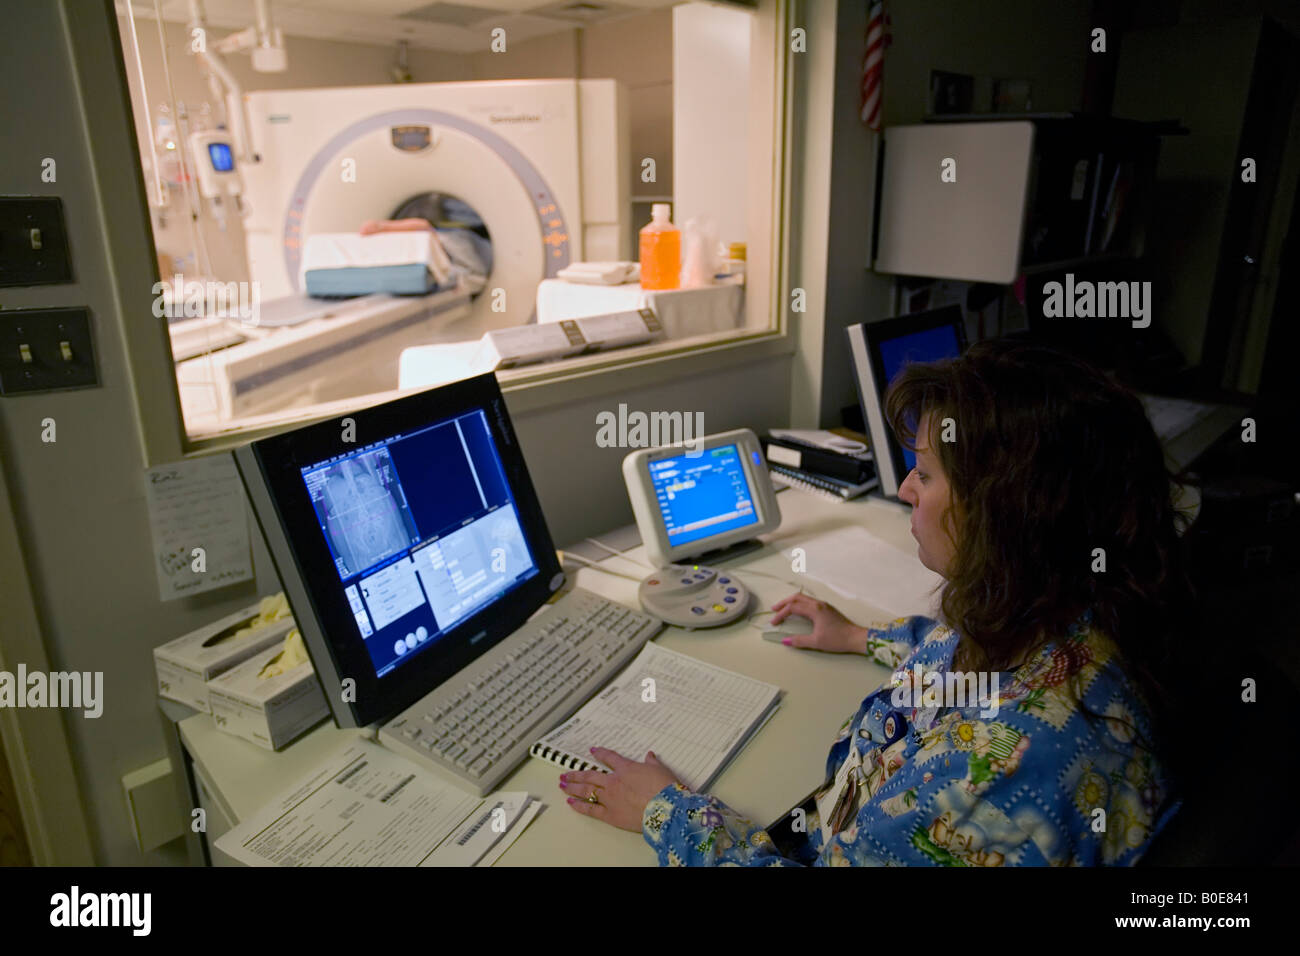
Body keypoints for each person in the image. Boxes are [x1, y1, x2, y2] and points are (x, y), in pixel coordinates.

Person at [558, 339, 1189, 865]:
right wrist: (864, 637)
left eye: (928, 474)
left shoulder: (990, 782)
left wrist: (665, 812)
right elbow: (961, 665)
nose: (905, 488)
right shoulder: (1063, 620)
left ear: (1007, 515)